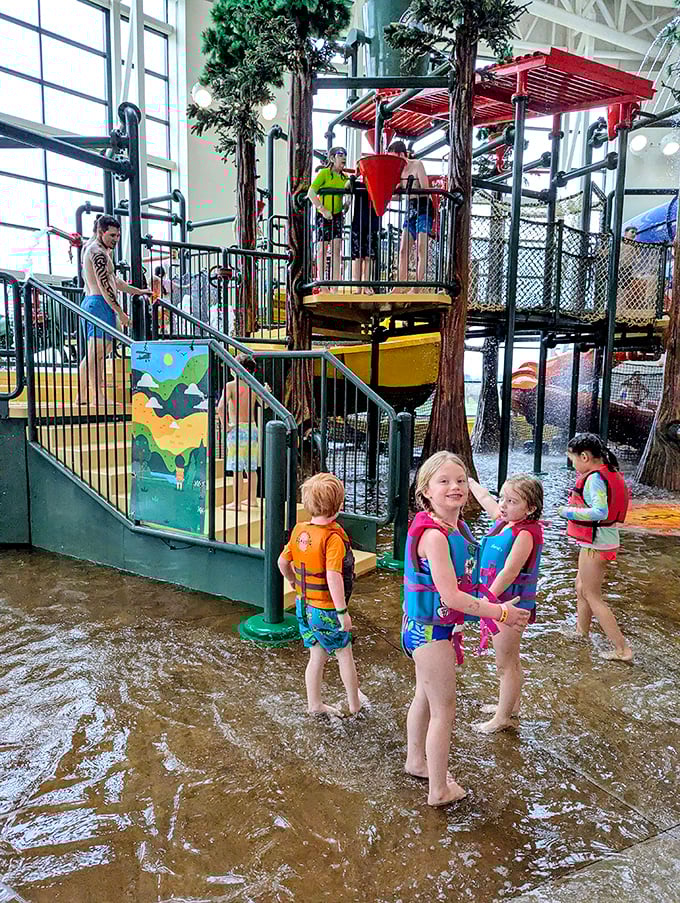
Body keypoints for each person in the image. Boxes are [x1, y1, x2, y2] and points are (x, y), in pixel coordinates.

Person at [402, 451, 530, 806]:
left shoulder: (454, 525)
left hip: (421, 627)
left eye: (460, 480)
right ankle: (439, 790)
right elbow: (451, 596)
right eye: (443, 482)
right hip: (430, 632)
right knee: (445, 711)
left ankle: (416, 760)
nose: (454, 487)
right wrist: (500, 613)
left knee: (425, 697)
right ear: (425, 490)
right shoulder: (436, 537)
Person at [278, 473, 364, 717]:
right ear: (340, 505)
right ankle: (355, 704)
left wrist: (293, 580)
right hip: (326, 609)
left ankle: (314, 704)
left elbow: (282, 562)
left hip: (303, 606)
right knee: (344, 653)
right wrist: (342, 612)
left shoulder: (299, 531)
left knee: (316, 655)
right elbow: (333, 576)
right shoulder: (333, 538)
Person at [467, 475, 544, 733]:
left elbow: (509, 572)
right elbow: (485, 498)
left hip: (510, 606)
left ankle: (502, 719)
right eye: (503, 498)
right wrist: (466, 480)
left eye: (512, 501)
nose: (503, 505)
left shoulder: (525, 534)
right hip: (500, 603)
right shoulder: (506, 522)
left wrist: (485, 601)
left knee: (505, 664)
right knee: (512, 660)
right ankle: (511, 706)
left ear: (530, 508)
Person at [558, 432, 633, 662]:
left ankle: (622, 649)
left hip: (598, 542)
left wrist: (567, 511)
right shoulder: (606, 472)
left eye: (573, 460)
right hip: (599, 539)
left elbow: (600, 511)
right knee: (580, 586)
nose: (573, 466)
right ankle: (582, 631)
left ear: (585, 457)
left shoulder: (594, 479)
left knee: (592, 594)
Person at [77, 215, 148, 406]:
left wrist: (137, 291)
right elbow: (104, 286)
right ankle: (96, 397)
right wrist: (121, 313)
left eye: (118, 236)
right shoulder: (97, 252)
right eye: (112, 236)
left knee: (98, 353)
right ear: (100, 232)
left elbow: (114, 281)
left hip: (99, 303)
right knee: (96, 353)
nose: (116, 239)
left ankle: (83, 396)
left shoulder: (99, 250)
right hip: (99, 303)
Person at [216, 353, 261, 511]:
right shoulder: (253, 385)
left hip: (237, 428)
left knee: (236, 468)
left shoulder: (231, 386)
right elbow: (265, 405)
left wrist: (226, 425)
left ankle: (236, 503)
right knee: (251, 467)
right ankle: (252, 499)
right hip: (252, 428)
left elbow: (221, 407)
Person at [388, 140, 433, 292]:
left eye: (394, 157)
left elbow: (426, 188)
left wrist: (410, 187)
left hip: (424, 206)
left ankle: (417, 286)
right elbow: (395, 195)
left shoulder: (417, 165)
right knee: (403, 249)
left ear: (402, 154)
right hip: (411, 207)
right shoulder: (398, 171)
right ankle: (400, 285)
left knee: (421, 247)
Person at [307, 147, 350, 293]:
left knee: (337, 248)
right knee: (322, 248)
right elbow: (311, 193)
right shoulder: (324, 173)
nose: (343, 158)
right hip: (323, 214)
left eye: (344, 155)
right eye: (340, 155)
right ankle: (323, 283)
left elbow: (348, 192)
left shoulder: (344, 178)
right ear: (332, 158)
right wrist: (322, 209)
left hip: (337, 214)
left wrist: (347, 203)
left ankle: (335, 285)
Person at [350, 171, 381, 295]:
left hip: (372, 223)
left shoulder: (378, 186)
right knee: (358, 256)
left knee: (369, 256)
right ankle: (358, 285)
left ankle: (366, 285)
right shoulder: (359, 184)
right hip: (359, 223)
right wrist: (356, 175)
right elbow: (348, 186)